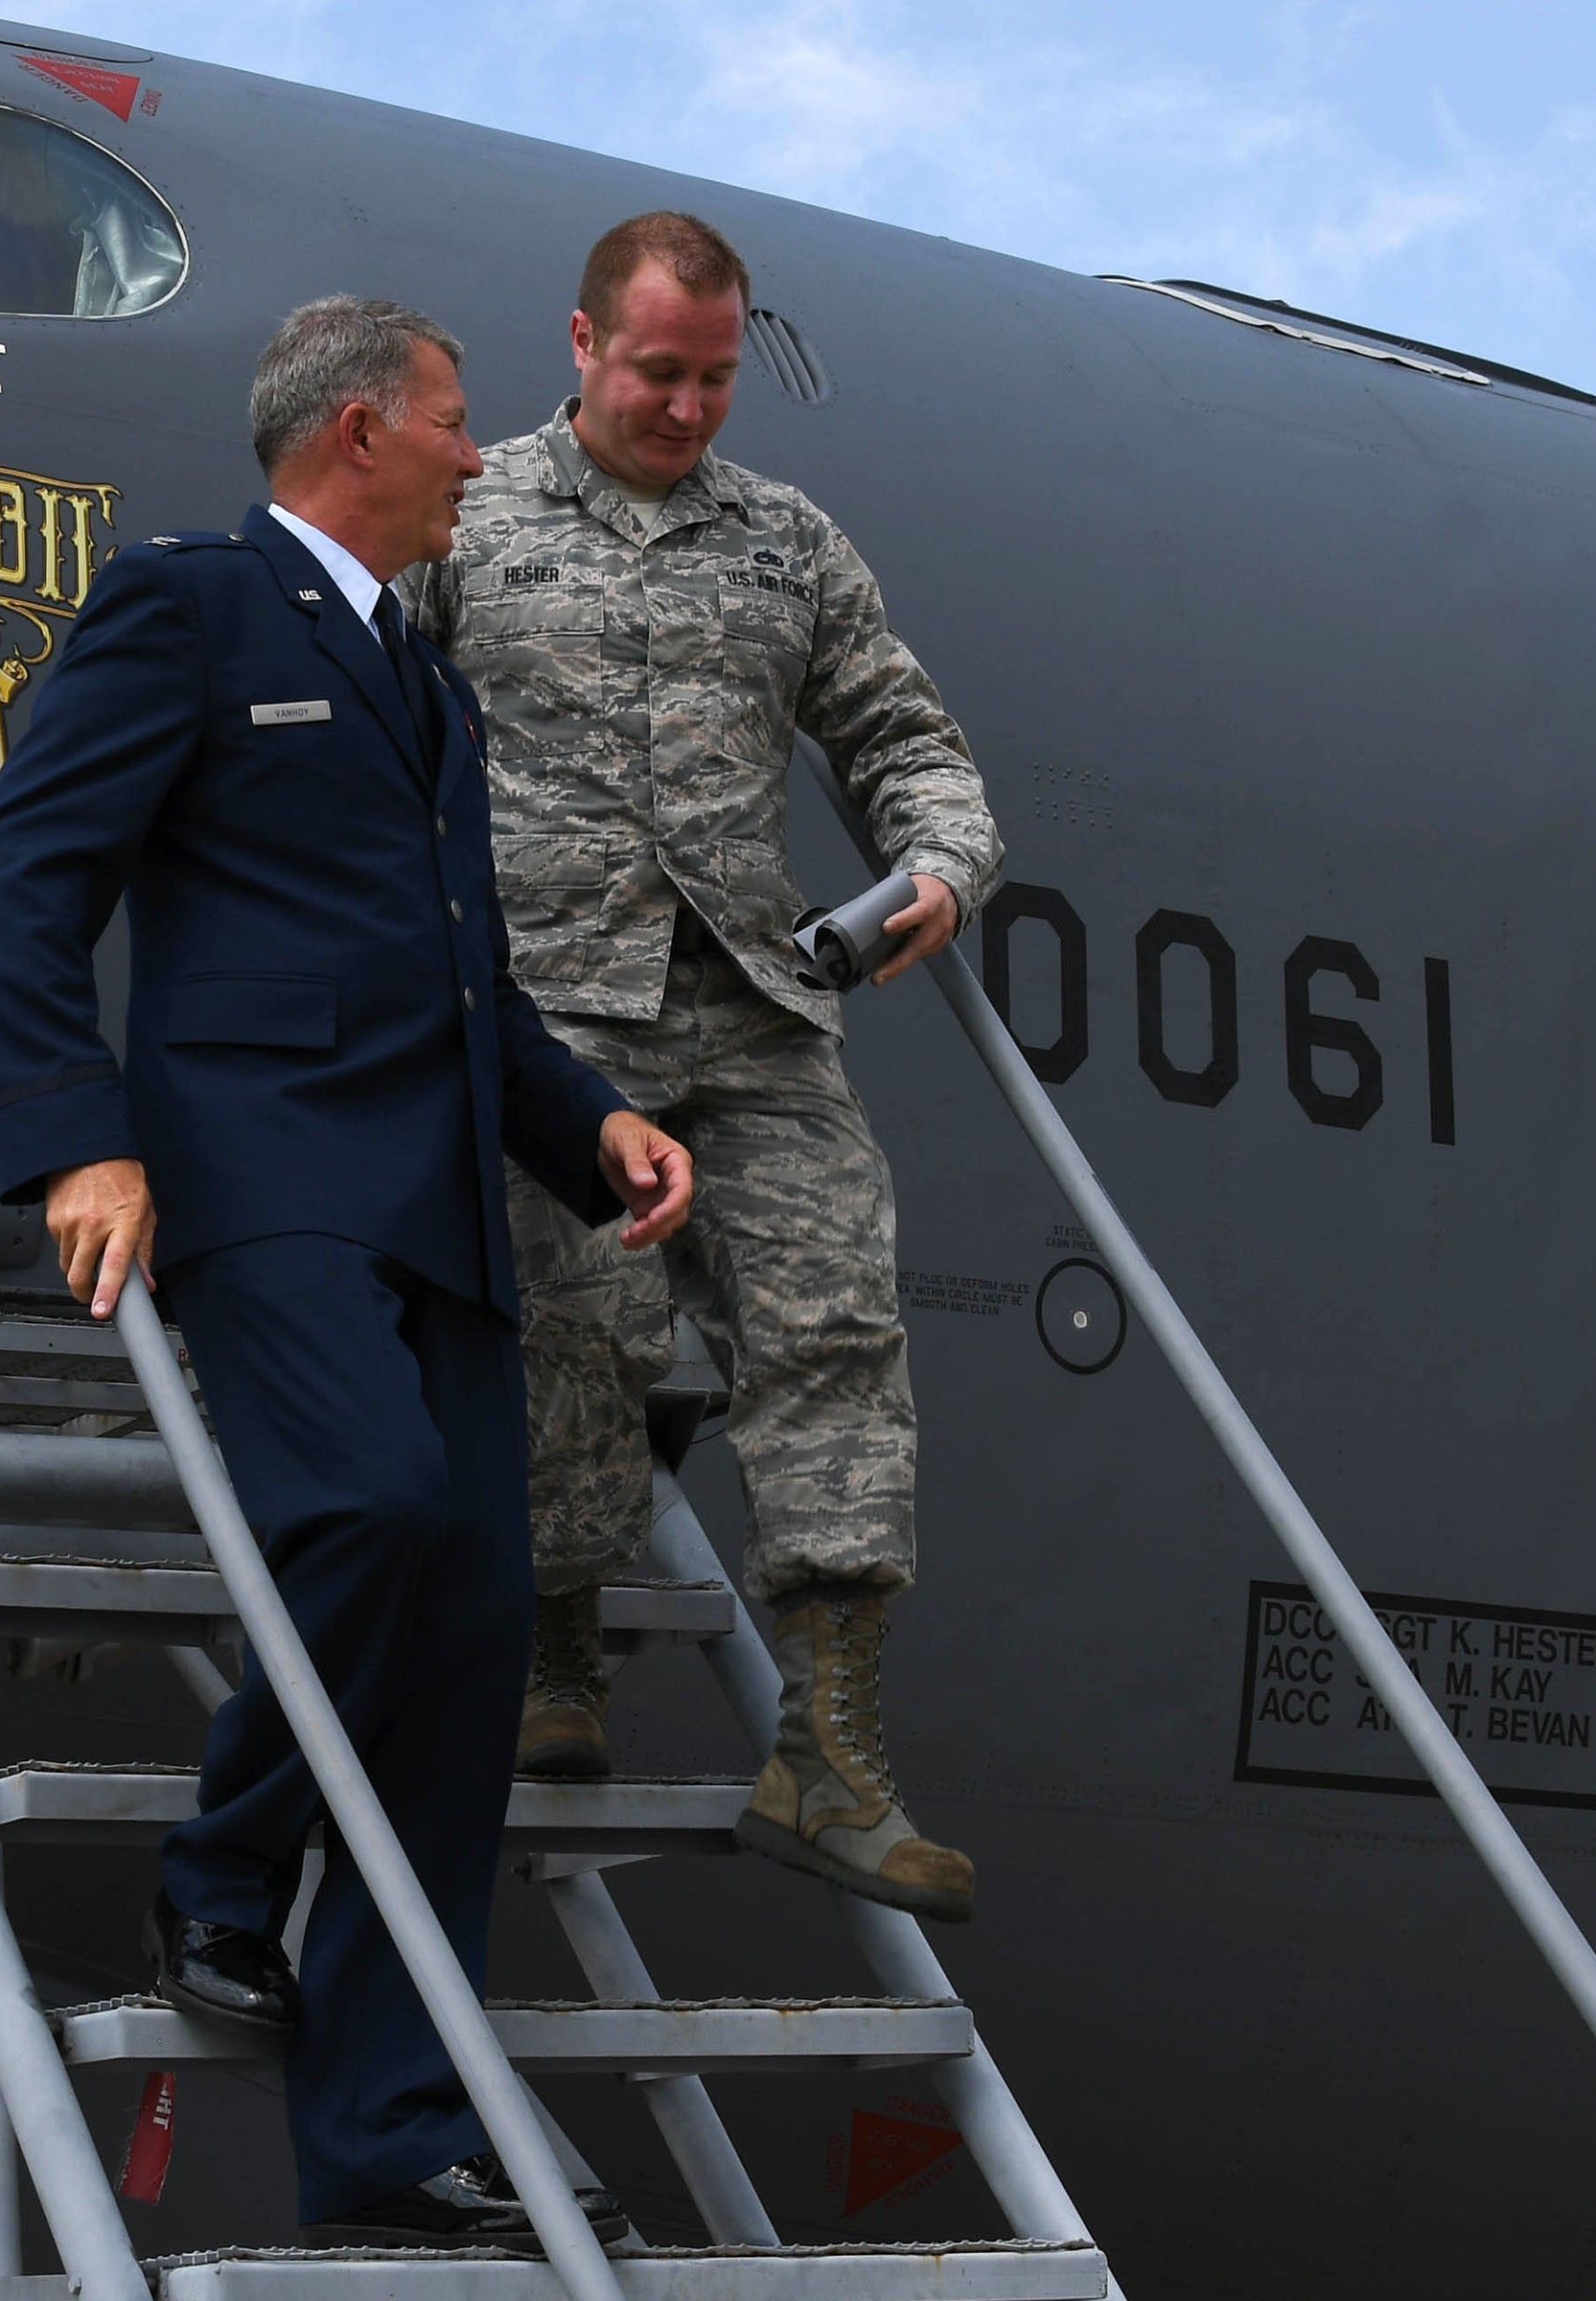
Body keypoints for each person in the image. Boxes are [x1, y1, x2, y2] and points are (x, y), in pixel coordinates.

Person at [0, 296, 694, 2248]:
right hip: (264, 1175)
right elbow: (28, 872)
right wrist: (75, 1135)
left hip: (442, 1201)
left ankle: (391, 2139)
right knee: (364, 1503)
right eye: (456, 427)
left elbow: (471, 988)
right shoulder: (188, 610)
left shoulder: (425, 695)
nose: (482, 454)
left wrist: (584, 1124)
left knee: (459, 1665)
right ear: (357, 433)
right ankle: (224, 1859)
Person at [410, 213, 1003, 1924]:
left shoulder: (787, 545)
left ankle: (828, 1754)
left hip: (751, 1002)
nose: (687, 409)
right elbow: (369, 708)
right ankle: (557, 1661)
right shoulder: (474, 512)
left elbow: (902, 732)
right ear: (582, 342)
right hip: (546, 1010)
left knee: (834, 1330)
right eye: (659, 371)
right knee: (578, 1324)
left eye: (718, 379)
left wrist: (942, 864)